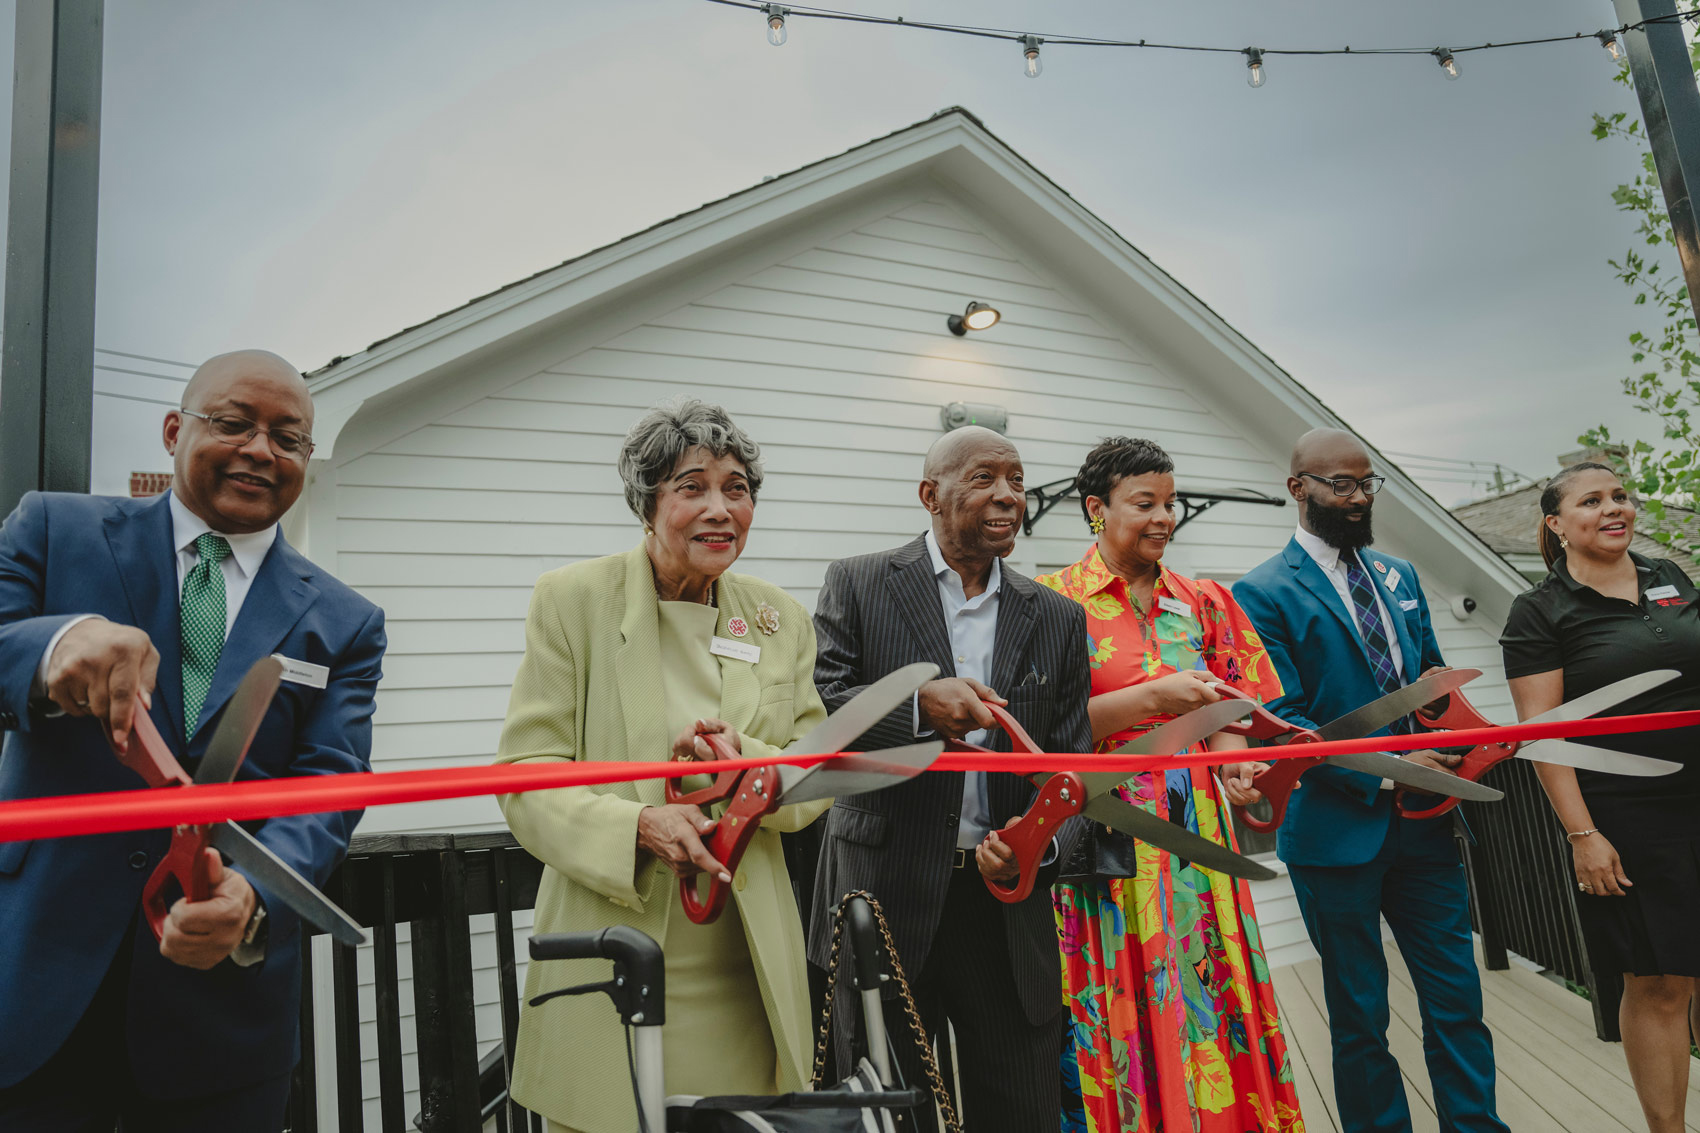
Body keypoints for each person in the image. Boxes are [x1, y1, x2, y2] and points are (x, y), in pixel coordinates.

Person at [0, 350, 387, 1132]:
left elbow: (329, 784)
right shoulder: (52, 526)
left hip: (221, 1026)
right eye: (233, 422)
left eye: (288, 437)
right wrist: (57, 642)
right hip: (30, 986)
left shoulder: (347, 621)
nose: (259, 449)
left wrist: (254, 902)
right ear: (175, 429)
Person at [497, 399, 830, 1133]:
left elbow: (813, 784)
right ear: (648, 503)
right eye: (692, 486)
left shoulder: (779, 617)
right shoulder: (573, 600)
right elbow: (524, 775)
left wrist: (752, 761)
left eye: (737, 488)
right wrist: (637, 824)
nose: (720, 508)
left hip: (745, 967)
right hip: (615, 951)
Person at [809, 424, 1092, 1133]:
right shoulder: (859, 581)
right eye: (984, 478)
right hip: (885, 889)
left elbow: (1073, 769)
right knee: (889, 1110)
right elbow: (820, 716)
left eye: (1018, 481)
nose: (1007, 496)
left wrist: (1040, 846)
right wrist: (915, 709)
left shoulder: (1057, 616)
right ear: (930, 494)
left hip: (1005, 904)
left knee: (1021, 1109)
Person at [1232, 428, 1506, 1133]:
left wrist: (1470, 741)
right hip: (1333, 833)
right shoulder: (1259, 592)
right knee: (1359, 1015)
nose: (1357, 498)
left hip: (1429, 826)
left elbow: (1434, 687)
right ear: (1300, 489)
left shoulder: (1400, 577)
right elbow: (1281, 721)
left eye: (1366, 484)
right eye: (1341, 485)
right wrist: (1389, 771)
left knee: (1457, 1000)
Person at [1036, 437, 1305, 1133]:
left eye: (1170, 501)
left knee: (1207, 985)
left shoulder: (1204, 600)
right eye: (1144, 503)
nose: (1164, 516)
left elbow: (1227, 711)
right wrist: (1152, 700)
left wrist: (1237, 764)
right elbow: (1045, 727)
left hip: (1199, 836)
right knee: (1122, 995)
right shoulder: (1053, 604)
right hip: (1107, 834)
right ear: (1097, 509)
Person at [1500, 462, 1700, 1133]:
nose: (1614, 508)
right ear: (1557, 523)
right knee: (1659, 982)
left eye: (1620, 496)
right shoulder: (1540, 610)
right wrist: (1583, 834)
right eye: (1592, 501)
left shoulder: (1671, 577)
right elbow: (1545, 736)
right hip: (1628, 815)